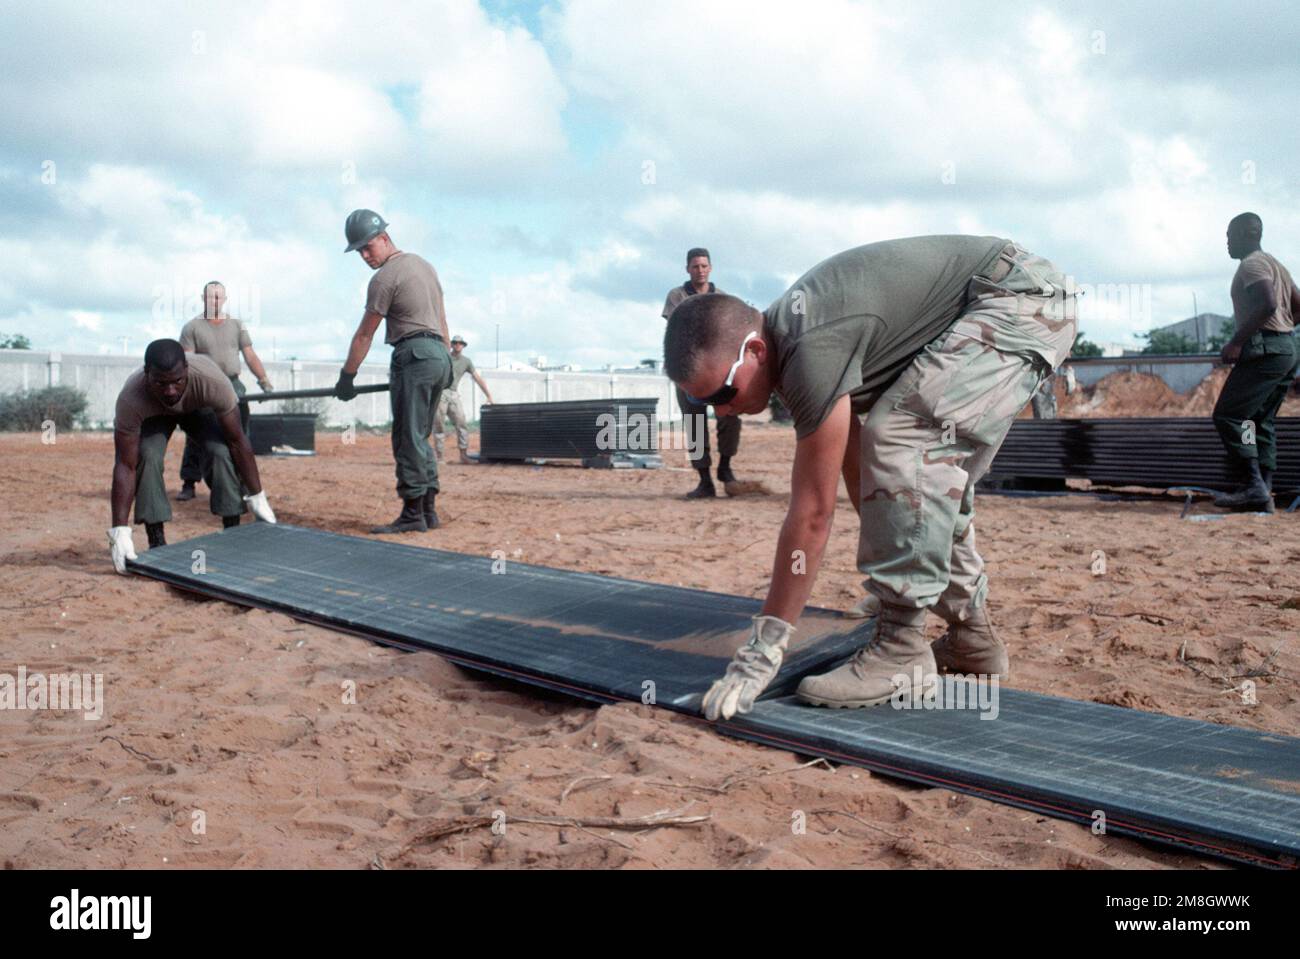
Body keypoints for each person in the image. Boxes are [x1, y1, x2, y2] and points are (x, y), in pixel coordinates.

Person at [663, 235, 1077, 717]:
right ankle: (972, 635)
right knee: (922, 479)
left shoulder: (811, 347)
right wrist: (903, 542)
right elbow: (873, 482)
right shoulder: (794, 345)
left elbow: (814, 513)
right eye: (700, 402)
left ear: (754, 351)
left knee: (904, 442)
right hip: (1003, 298)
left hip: (1022, 300)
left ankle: (901, 649)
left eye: (720, 394)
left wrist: (764, 648)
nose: (722, 409)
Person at [109, 339, 276, 573]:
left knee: (220, 451)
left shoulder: (212, 381)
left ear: (186, 370)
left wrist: (258, 497)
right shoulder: (131, 398)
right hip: (155, 415)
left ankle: (232, 530)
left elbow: (237, 441)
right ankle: (156, 538)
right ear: (147, 374)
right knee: (147, 455)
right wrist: (119, 530)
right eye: (161, 383)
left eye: (177, 381)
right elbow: (125, 465)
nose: (170, 391)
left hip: (198, 408)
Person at [333, 209, 452, 533]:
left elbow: (364, 334)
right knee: (419, 436)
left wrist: (347, 376)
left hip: (413, 356)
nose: (365, 255)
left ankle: (413, 514)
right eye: (359, 251)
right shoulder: (425, 266)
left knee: (406, 438)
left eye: (368, 247)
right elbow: (441, 318)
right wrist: (448, 362)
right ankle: (428, 510)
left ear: (384, 238)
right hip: (439, 354)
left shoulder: (384, 278)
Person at [1212, 213, 1299, 512]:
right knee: (1257, 420)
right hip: (1285, 349)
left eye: (1229, 235)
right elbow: (1296, 307)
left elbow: (1269, 303)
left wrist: (1237, 340)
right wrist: (1283, 327)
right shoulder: (1278, 265)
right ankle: (1262, 489)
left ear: (1247, 233)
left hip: (1266, 350)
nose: (1226, 242)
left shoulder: (1253, 264)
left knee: (1229, 416)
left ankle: (1252, 486)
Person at [176, 281, 273, 501]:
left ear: (225, 299)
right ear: (203, 299)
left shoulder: (237, 325)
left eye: (219, 297)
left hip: (233, 385)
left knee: (240, 434)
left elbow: (249, 354)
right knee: (198, 435)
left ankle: (244, 483)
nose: (215, 301)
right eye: (211, 297)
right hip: (204, 386)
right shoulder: (192, 327)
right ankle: (189, 482)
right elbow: (187, 361)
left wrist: (263, 379)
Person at [662, 248, 744, 498]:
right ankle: (704, 481)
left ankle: (726, 468)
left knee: (730, 417)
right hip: (688, 369)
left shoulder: (721, 297)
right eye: (695, 266)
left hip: (718, 370)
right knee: (695, 425)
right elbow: (676, 327)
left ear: (710, 268)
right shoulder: (677, 296)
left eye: (704, 266)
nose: (700, 270)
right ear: (687, 268)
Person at [434, 335, 494, 463]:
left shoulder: (466, 361)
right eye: (455, 343)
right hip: (440, 393)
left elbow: (477, 378)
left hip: (454, 394)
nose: (457, 345)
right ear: (451, 345)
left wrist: (488, 395)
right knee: (439, 425)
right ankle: (439, 458)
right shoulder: (444, 357)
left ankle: (463, 456)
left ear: (463, 345)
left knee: (461, 423)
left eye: (460, 343)